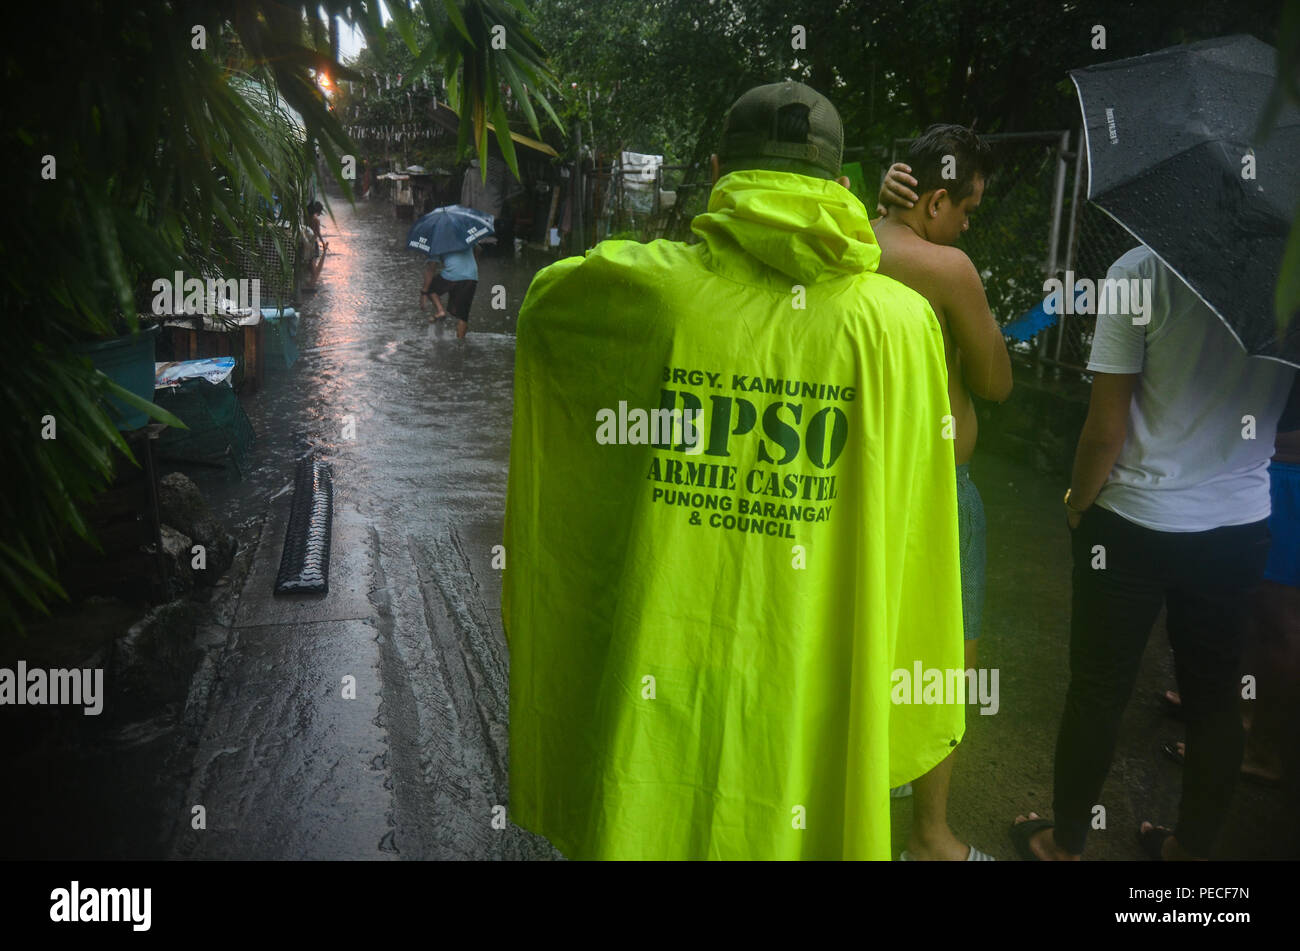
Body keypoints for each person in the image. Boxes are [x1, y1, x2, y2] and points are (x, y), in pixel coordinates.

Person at [503, 81, 967, 859]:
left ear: (719, 169)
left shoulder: (650, 294)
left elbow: (545, 306)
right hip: (806, 691)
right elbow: (927, 500)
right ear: (844, 188)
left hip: (660, 691)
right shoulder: (897, 326)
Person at [1011, 246, 1296, 860]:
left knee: (1098, 688)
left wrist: (1077, 501)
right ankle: (1187, 856)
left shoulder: (1140, 270)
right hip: (1237, 528)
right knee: (1216, 699)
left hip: (1130, 523)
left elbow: (1106, 427)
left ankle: (1066, 844)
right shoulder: (1290, 279)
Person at [873, 126, 1012, 861]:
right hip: (935, 490)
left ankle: (872, 779)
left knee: (872, 636)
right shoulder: (948, 266)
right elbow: (995, 382)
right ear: (933, 199)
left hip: (864, 485)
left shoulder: (850, 241)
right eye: (967, 209)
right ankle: (929, 839)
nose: (967, 225)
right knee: (941, 661)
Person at [419, 244, 477, 339]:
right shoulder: (464, 236)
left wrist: (423, 293)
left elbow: (431, 269)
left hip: (452, 275)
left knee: (429, 286)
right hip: (472, 275)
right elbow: (478, 249)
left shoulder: (437, 241)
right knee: (463, 316)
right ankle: (460, 344)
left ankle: (440, 311)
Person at [304, 200, 328, 290]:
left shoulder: (307, 218)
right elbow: (318, 233)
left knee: (309, 261)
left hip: (306, 241)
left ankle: (310, 282)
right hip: (313, 242)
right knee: (313, 262)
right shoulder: (316, 220)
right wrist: (323, 243)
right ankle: (312, 283)